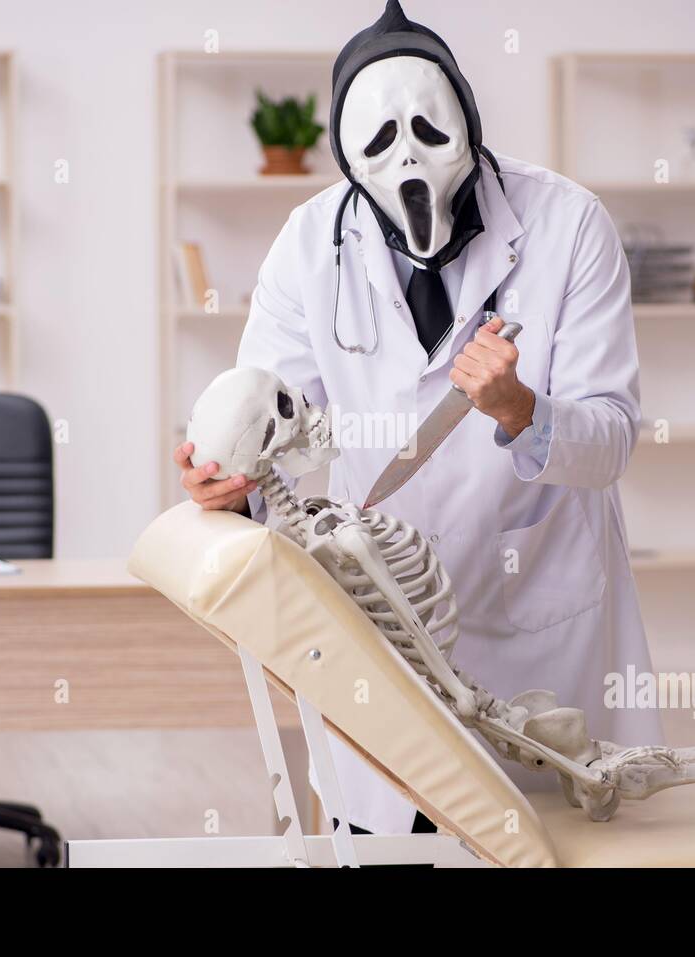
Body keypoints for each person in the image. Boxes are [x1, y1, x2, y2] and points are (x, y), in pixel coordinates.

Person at [173, 0, 662, 835]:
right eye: (380, 148)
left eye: (429, 137)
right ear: (349, 162)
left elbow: (610, 438)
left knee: (545, 845)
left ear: (467, 127)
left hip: (539, 622)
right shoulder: (307, 242)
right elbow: (275, 420)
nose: (409, 168)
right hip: (387, 636)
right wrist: (234, 482)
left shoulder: (569, 225)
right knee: (388, 840)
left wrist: (522, 411)